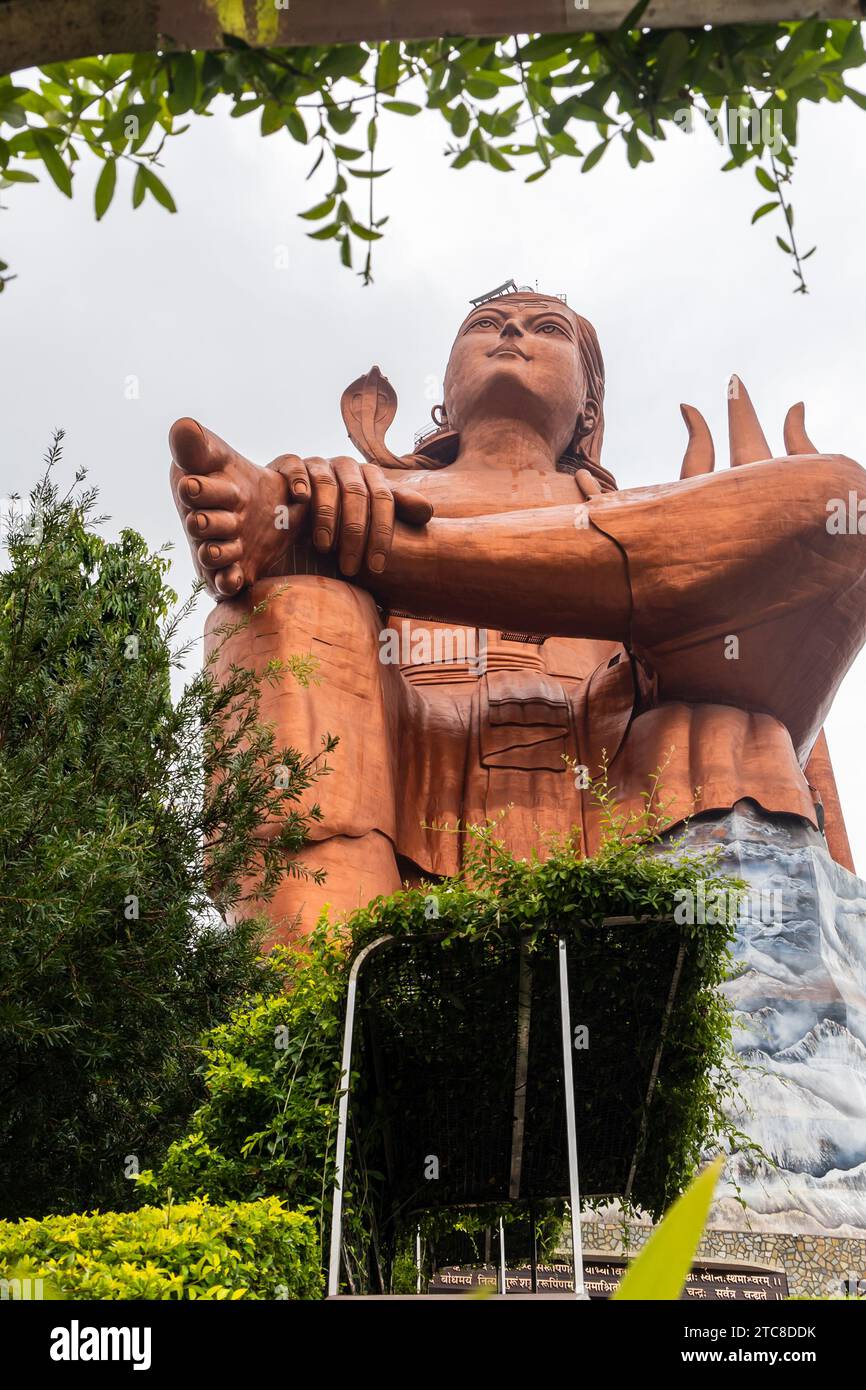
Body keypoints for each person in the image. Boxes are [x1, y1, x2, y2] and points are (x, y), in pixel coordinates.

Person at [170, 292, 866, 941]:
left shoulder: (655, 511)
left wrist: (739, 541)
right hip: (405, 759)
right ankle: (318, 1008)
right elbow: (238, 548)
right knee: (289, 605)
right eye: (486, 324)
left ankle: (744, 1023)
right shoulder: (343, 491)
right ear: (445, 397)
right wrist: (303, 523)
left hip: (614, 755)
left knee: (837, 508)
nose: (511, 332)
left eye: (547, 328)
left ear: (589, 408)